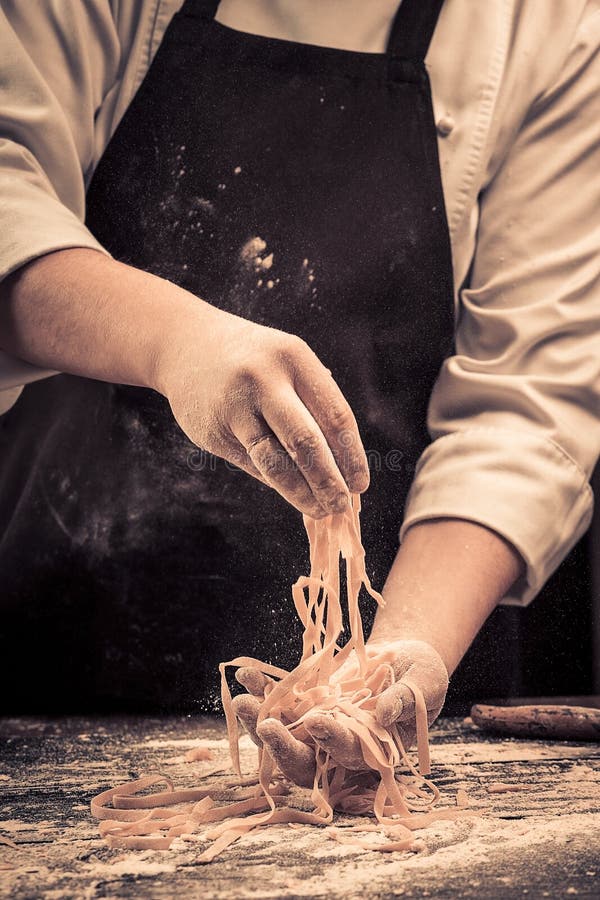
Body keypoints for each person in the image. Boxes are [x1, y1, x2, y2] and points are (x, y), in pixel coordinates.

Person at [0, 1, 598, 779]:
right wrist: (172, 341)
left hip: (411, 601)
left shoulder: (553, 23)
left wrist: (391, 665)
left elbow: (526, 406)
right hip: (50, 644)